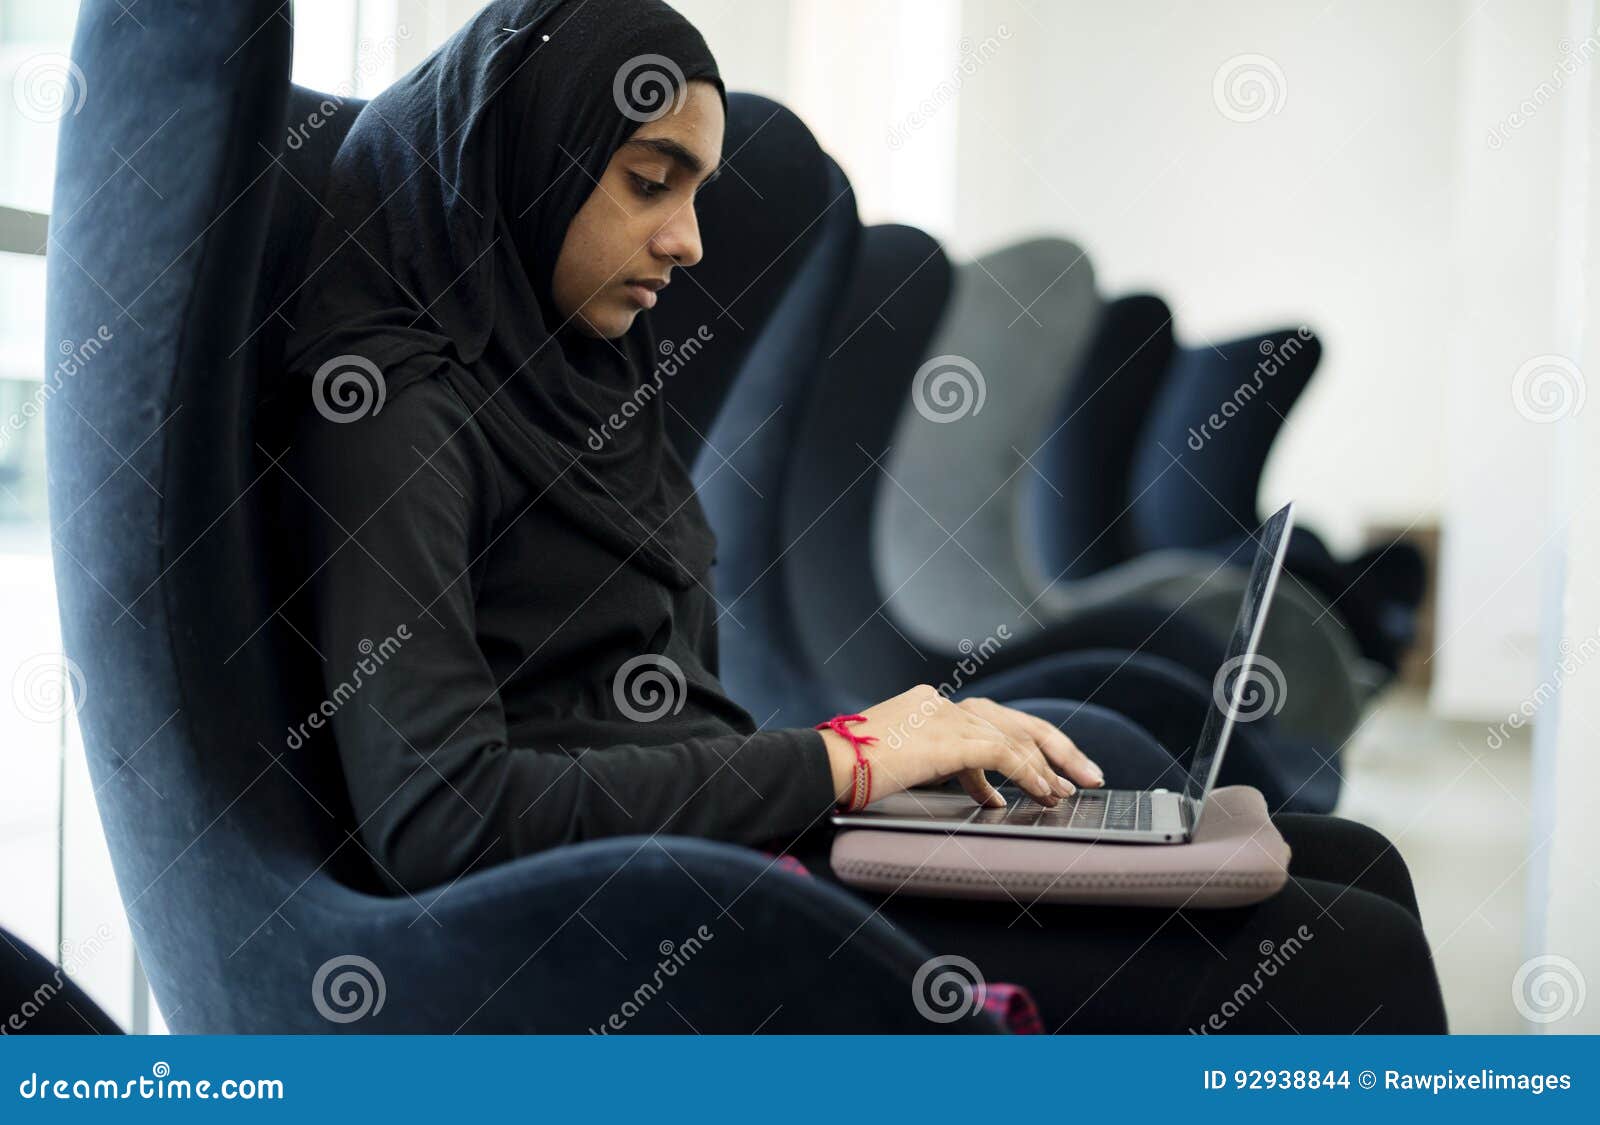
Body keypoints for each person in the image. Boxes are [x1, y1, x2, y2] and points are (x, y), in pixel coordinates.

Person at [269, 0, 1446, 1033]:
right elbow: (443, 814)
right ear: (531, 156)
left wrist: (879, 775)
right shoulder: (393, 404)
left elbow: (657, 721)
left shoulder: (573, 380)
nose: (685, 241)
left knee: (1356, 866)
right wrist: (849, 761)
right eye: (647, 181)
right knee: (1352, 954)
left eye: (695, 192)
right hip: (627, 925)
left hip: (717, 860)